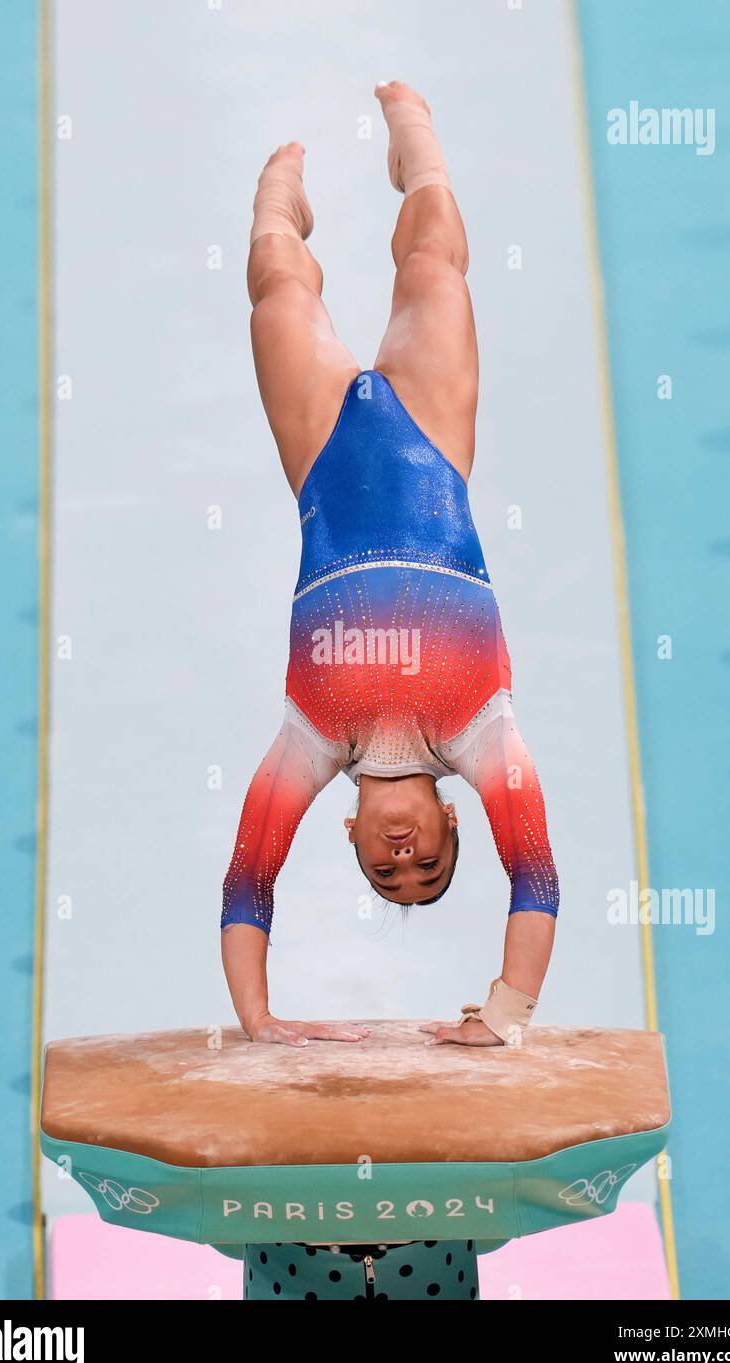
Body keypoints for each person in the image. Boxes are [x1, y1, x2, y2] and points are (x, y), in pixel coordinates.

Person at [221, 82, 559, 1055]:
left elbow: (247, 881)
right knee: (432, 253)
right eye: (427, 868)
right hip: (428, 431)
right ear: (453, 819)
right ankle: (414, 141)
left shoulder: (305, 743)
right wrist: (504, 1010)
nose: (403, 862)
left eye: (384, 874)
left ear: (353, 838)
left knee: (277, 286)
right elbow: (535, 876)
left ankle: (278, 200)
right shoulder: (484, 732)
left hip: (325, 453)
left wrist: (259, 1024)